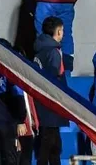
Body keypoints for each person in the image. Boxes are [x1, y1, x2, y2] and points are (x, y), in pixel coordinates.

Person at [32, 16, 66, 165]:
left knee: (52, 145)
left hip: (41, 102)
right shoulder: (54, 51)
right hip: (52, 103)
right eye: (62, 30)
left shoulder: (39, 50)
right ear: (58, 32)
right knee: (50, 146)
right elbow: (54, 77)